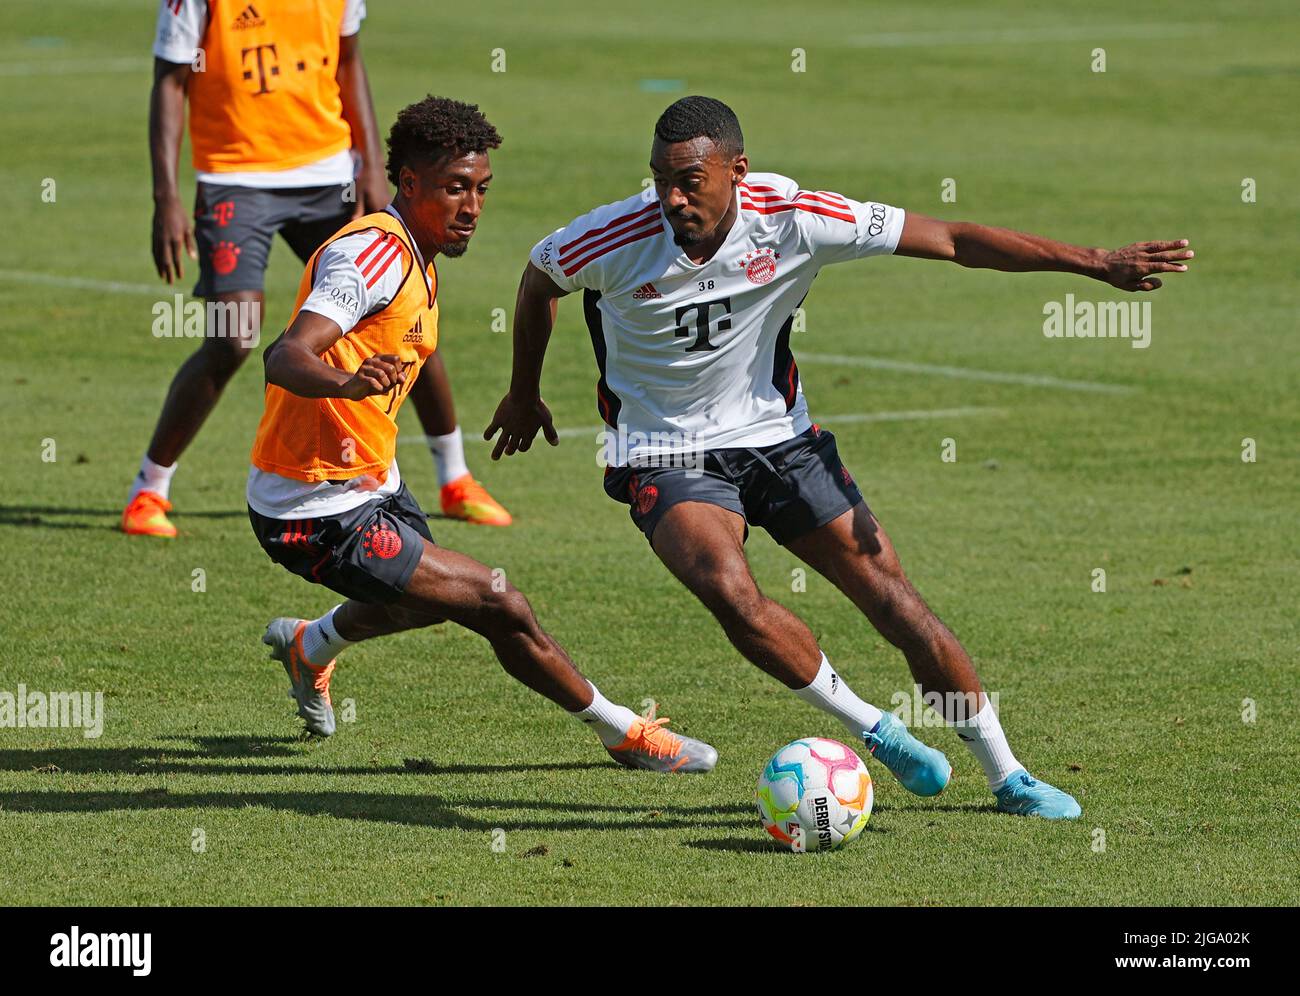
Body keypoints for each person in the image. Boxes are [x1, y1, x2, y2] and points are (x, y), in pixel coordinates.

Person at [485, 95, 1195, 819]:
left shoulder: (794, 216)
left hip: (780, 441)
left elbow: (951, 239)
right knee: (731, 594)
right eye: (661, 179)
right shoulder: (610, 237)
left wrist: (1095, 262)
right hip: (663, 451)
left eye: (690, 180)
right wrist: (522, 392)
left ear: (738, 170)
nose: (672, 198)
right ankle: (875, 730)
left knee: (896, 602)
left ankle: (1007, 774)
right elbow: (539, 280)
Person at [248, 95, 716, 774]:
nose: (472, 206)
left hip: (372, 482)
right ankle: (625, 734)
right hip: (312, 508)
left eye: (481, 189)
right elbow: (287, 354)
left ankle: (309, 647)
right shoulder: (370, 260)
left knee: (424, 606)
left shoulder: (417, 253)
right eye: (454, 189)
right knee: (497, 602)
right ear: (409, 184)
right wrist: (344, 383)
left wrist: (519, 394)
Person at [123, 0, 510, 539]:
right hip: (236, 177)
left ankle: (455, 476)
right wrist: (166, 196)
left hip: (330, 172)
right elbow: (170, 81)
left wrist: (372, 169)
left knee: (402, 313)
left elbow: (348, 62)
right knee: (232, 337)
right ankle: (150, 487)